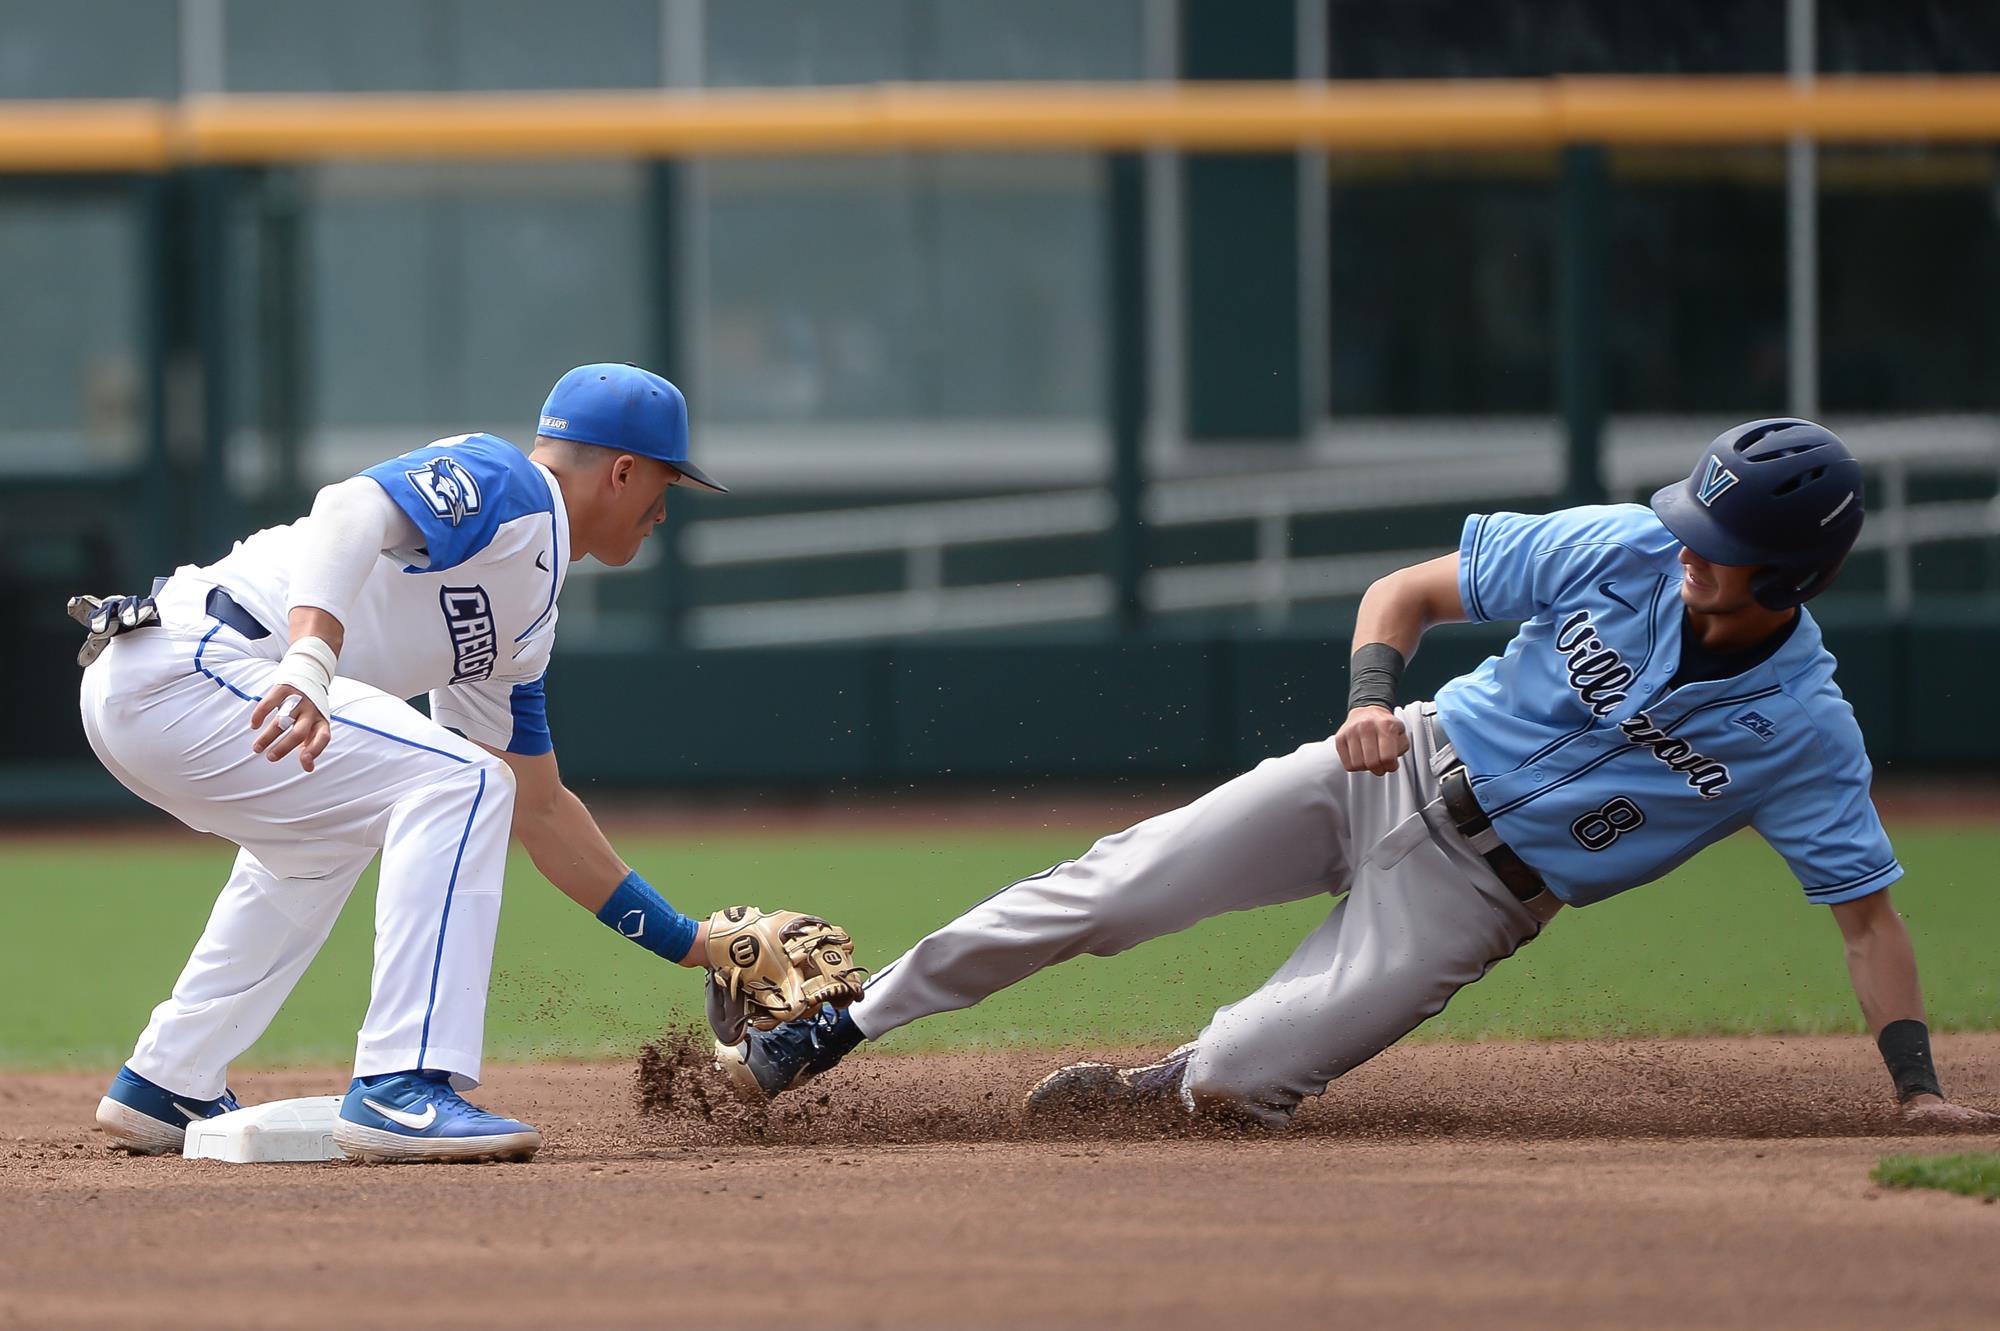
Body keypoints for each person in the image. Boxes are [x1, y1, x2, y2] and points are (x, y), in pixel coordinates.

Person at [715, 419, 1994, 1129]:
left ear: (1789, 577)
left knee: (1236, 1083)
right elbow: (1407, 590)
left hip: (1480, 896)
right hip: (1392, 763)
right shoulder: (1620, 546)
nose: (1684, 546)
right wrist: (1369, 697)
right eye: (1689, 519)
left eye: (1716, 541)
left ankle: (1175, 1072)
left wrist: (1917, 1088)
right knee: (1112, 887)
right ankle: (834, 1026)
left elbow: (1866, 919)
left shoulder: (1801, 729)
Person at [80, 364, 765, 1162]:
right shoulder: (511, 484)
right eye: (664, 484)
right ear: (622, 471)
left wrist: (694, 942)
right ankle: (401, 1084)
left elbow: (541, 811)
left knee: (325, 842)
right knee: (462, 780)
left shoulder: (526, 622)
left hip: (185, 692)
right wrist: (311, 656)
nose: (663, 510)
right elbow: (349, 507)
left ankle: (170, 1078)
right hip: (192, 663)